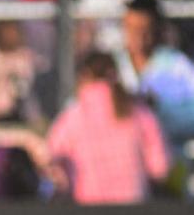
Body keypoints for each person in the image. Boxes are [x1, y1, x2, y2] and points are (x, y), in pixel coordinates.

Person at [45, 51, 170, 204]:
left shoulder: (73, 116)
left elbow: (50, 158)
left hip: (88, 210)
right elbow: (160, 169)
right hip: (134, 210)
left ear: (84, 76)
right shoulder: (139, 113)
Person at [114, 0, 194, 155]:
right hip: (121, 160)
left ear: (157, 29)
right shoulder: (111, 67)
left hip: (169, 157)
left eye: (144, 30)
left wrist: (159, 112)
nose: (138, 37)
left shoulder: (178, 66)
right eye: (131, 29)